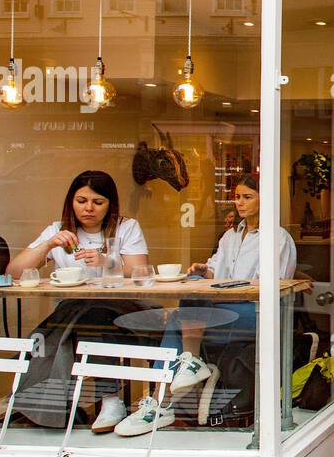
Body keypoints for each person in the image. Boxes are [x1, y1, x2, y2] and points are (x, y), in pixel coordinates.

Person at [118, 173, 297, 432]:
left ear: (265, 200)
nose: (240, 203)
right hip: (224, 310)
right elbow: (215, 270)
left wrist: (217, 290)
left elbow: (270, 287)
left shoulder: (277, 238)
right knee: (190, 288)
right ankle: (178, 378)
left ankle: (162, 401)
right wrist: (204, 271)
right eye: (237, 197)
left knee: (183, 314)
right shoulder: (230, 236)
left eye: (248, 197)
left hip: (258, 313)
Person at [7, 170, 154, 431]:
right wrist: (48, 245)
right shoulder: (57, 230)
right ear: (70, 202)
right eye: (81, 201)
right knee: (89, 316)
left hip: (124, 310)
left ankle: (107, 400)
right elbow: (13, 272)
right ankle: (108, 400)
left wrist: (107, 260)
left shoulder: (125, 227)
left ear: (110, 205)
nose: (88, 209)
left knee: (91, 315)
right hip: (76, 313)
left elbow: (139, 268)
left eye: (98, 203)